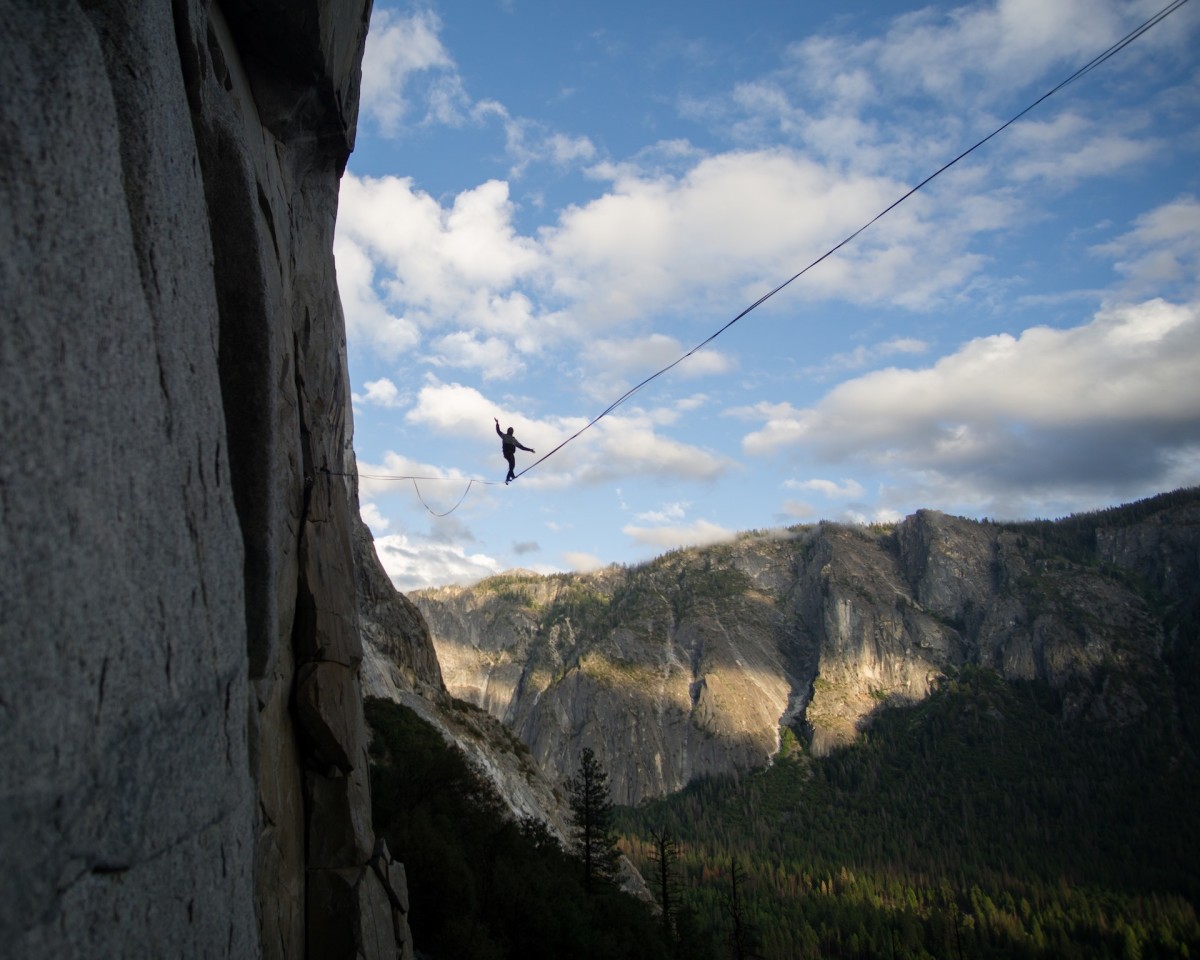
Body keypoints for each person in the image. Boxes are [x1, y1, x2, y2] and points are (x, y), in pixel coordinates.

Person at [494, 417, 534, 483]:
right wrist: (497, 423)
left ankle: (511, 475)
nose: (511, 431)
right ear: (508, 431)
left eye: (511, 430)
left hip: (509, 454)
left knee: (512, 465)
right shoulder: (505, 436)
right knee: (512, 465)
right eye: (510, 430)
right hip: (507, 453)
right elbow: (498, 431)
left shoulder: (513, 439)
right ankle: (508, 478)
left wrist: (529, 449)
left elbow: (522, 447)